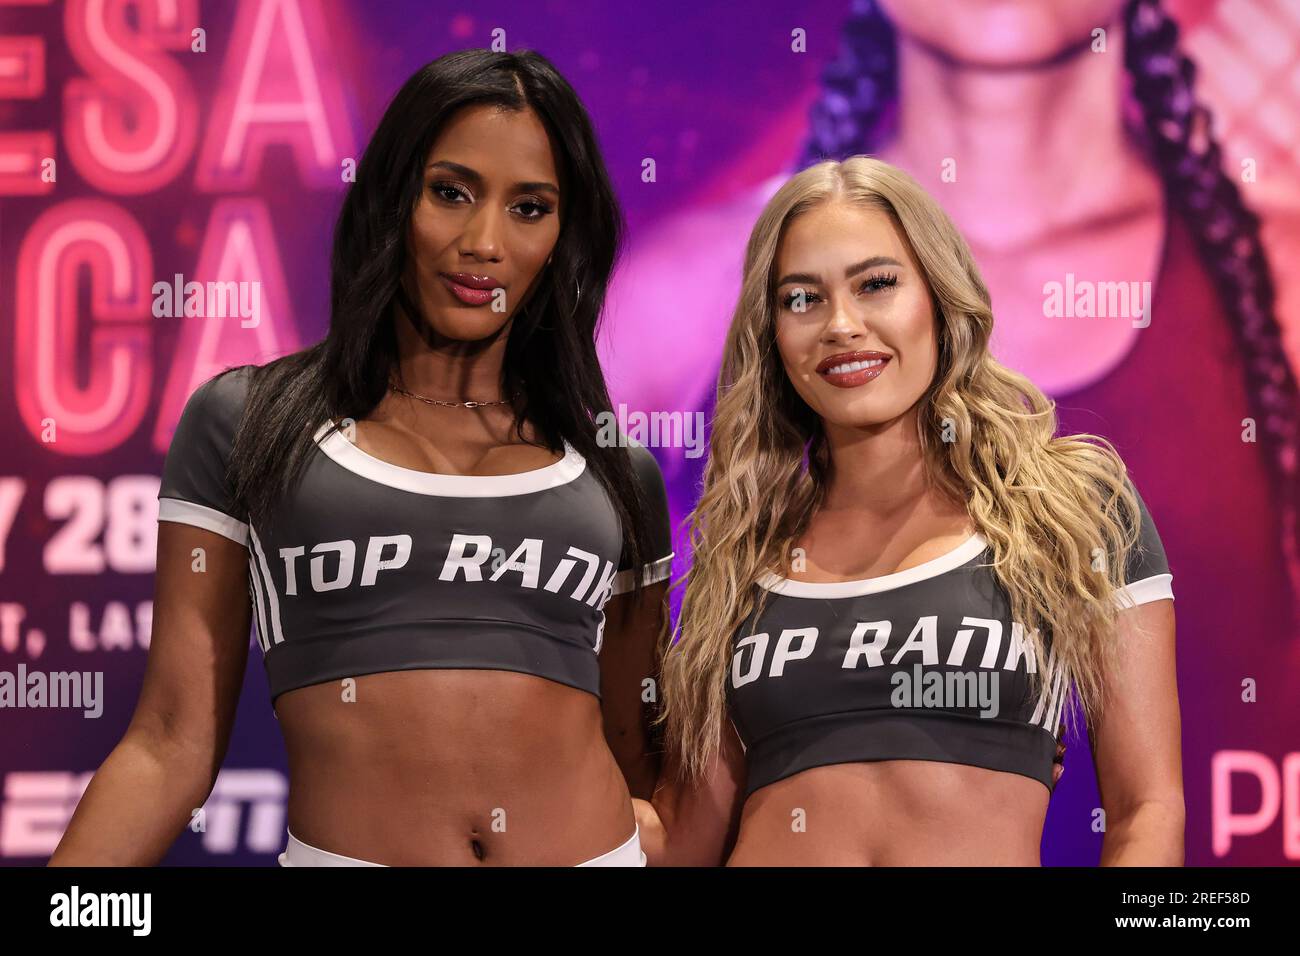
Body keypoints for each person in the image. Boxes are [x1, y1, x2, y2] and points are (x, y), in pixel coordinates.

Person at [48, 49, 673, 867]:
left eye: (530, 207)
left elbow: (644, 762)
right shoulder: (249, 424)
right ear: (392, 199)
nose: (484, 240)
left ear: (562, 236)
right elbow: (170, 742)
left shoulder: (616, 474)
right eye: (451, 192)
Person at [636, 157, 1182, 866]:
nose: (841, 325)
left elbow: (1147, 810)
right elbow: (683, 838)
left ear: (939, 295)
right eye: (802, 299)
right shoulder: (744, 554)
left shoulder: (1077, 511)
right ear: (771, 334)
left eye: (876, 285)